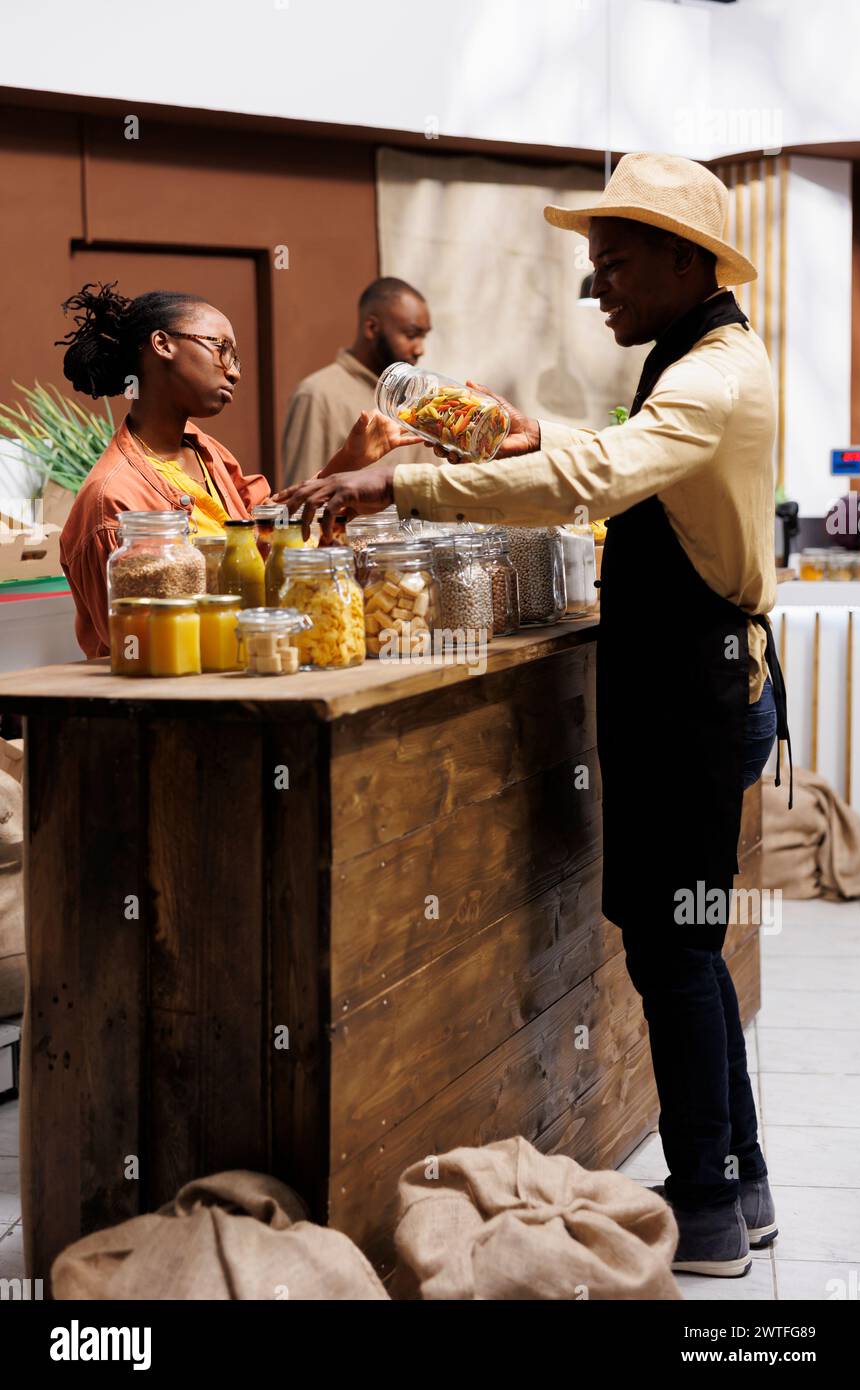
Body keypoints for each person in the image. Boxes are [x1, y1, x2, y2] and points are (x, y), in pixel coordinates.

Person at [274, 154, 792, 1279]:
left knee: (672, 948)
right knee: (685, 944)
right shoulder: (702, 359)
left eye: (611, 265)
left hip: (692, 697)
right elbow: (609, 452)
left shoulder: (710, 375)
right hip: (690, 689)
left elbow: (604, 474)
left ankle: (704, 1201)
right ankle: (734, 1181)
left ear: (680, 259)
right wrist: (521, 434)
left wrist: (402, 484)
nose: (593, 287)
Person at [57, 282, 405, 658]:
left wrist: (349, 461)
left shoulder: (203, 449)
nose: (234, 373)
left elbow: (262, 537)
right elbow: (137, 651)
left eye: (235, 359)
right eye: (221, 349)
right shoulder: (112, 499)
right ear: (163, 344)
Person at [279, 276, 432, 488]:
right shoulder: (317, 394)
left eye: (423, 337)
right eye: (411, 335)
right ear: (371, 327)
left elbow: (431, 486)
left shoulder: (415, 397)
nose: (419, 349)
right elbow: (300, 497)